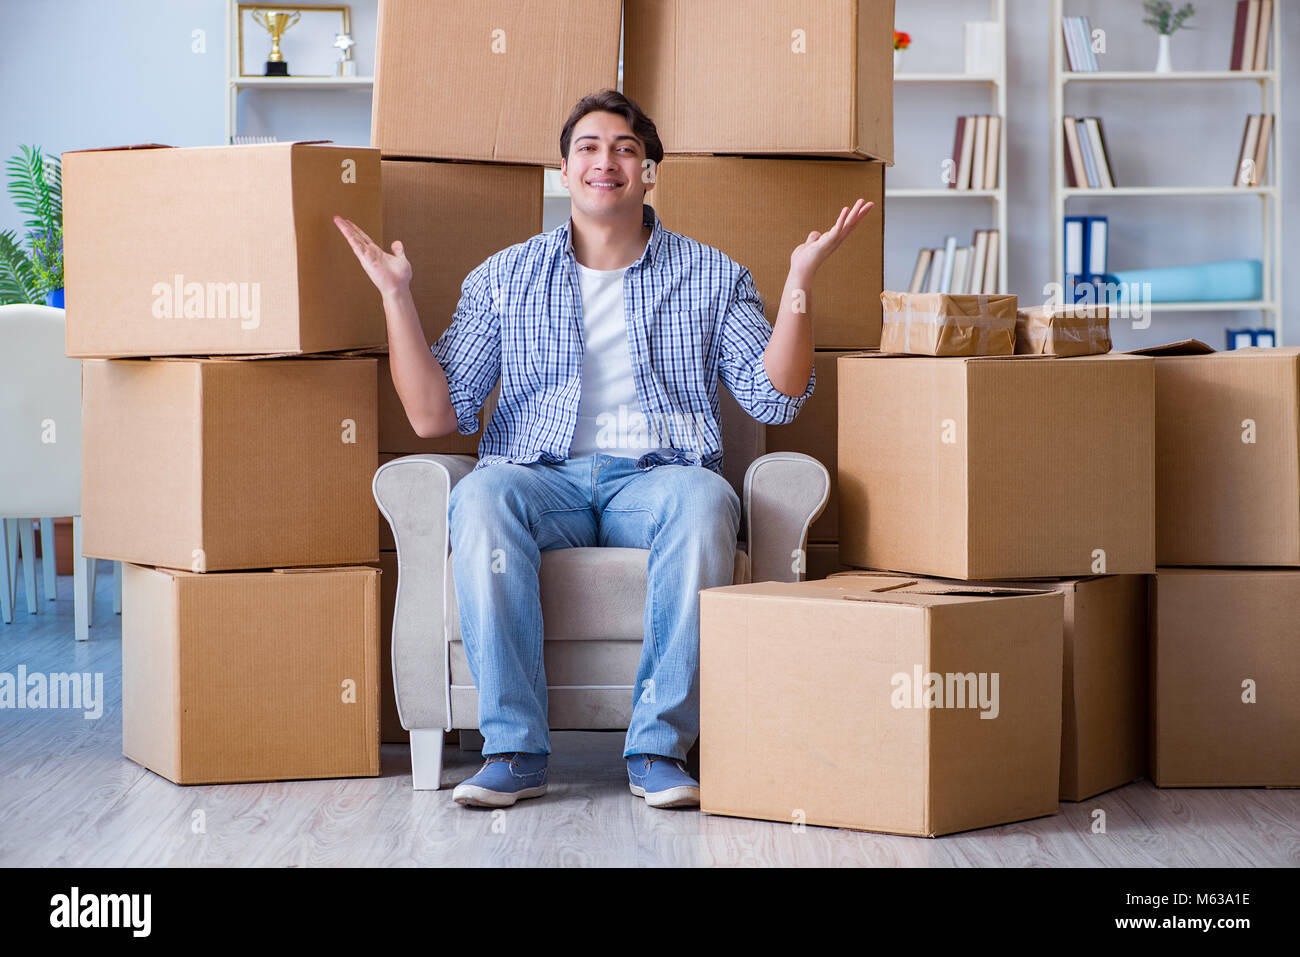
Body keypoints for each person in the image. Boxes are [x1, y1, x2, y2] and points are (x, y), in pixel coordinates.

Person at [335, 89, 872, 811]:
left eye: (625, 148)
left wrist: (800, 281)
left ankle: (657, 749)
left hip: (657, 480)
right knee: (481, 497)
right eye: (588, 147)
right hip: (537, 480)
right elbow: (439, 416)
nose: (606, 161)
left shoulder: (714, 275)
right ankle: (515, 751)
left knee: (704, 499)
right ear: (563, 170)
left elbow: (773, 398)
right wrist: (397, 298)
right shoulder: (505, 276)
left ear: (649, 171)